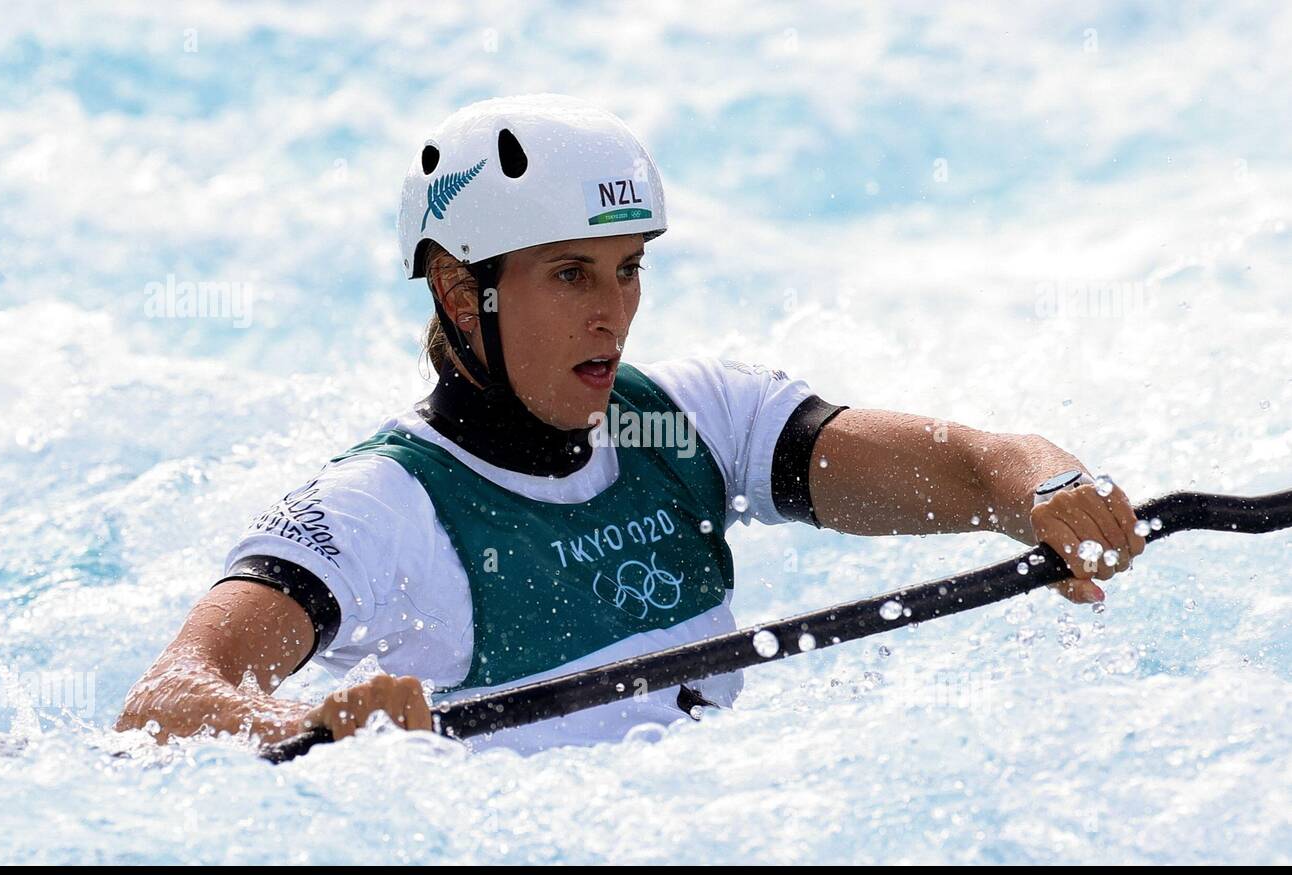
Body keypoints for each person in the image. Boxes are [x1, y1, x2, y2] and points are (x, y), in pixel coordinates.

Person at [117, 94, 1144, 754]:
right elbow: (165, 700)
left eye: (628, 267)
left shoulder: (686, 422)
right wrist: (304, 722)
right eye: (570, 273)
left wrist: (1040, 486)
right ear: (457, 288)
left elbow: (965, 467)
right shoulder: (379, 508)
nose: (613, 311)